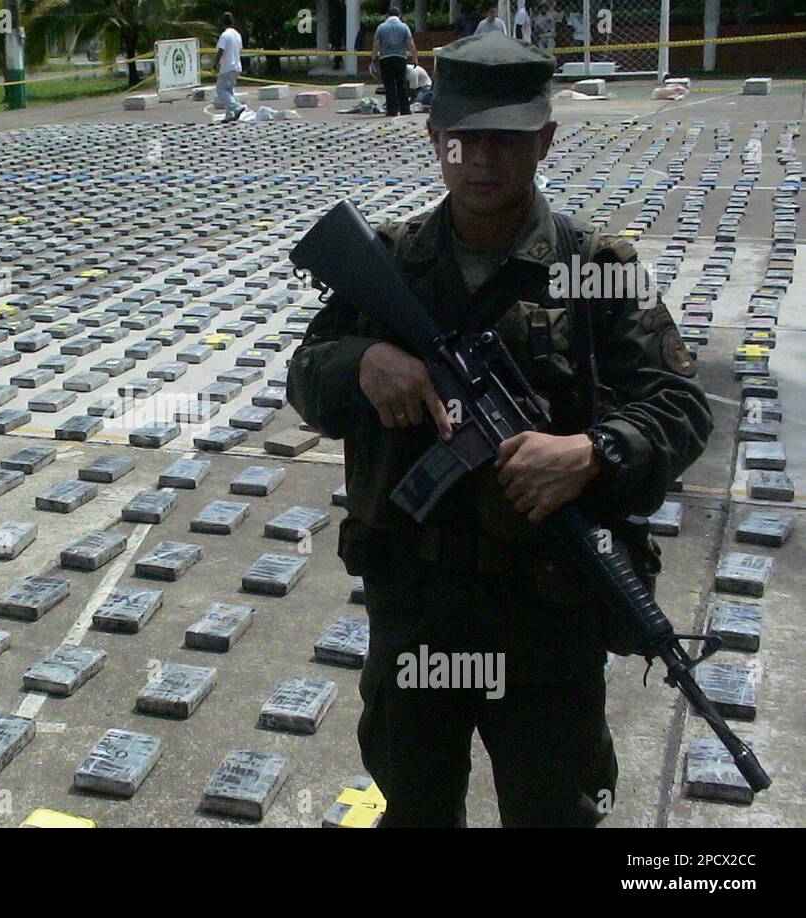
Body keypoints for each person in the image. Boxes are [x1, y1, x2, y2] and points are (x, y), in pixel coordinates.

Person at [287, 32, 711, 827]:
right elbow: (304, 383)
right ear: (435, 138)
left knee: (555, 810)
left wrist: (592, 452)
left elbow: (680, 405)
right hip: (418, 608)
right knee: (414, 805)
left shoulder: (597, 265)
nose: (484, 159)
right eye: (466, 139)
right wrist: (363, 363)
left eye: (507, 140)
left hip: (547, 615)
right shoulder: (390, 262)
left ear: (546, 139)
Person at [373, 5, 417, 118]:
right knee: (401, 84)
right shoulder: (404, 27)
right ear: (400, 15)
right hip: (400, 58)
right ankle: (405, 109)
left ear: (387, 15)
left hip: (385, 58)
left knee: (389, 85)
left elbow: (376, 44)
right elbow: (410, 43)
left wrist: (373, 59)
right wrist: (414, 57)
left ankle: (392, 110)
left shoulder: (381, 27)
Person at [213, 12, 245, 123]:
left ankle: (236, 107)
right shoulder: (238, 35)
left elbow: (220, 51)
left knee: (220, 90)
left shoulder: (225, 35)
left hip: (227, 66)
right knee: (229, 91)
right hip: (237, 66)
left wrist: (215, 65)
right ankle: (229, 115)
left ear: (223, 23)